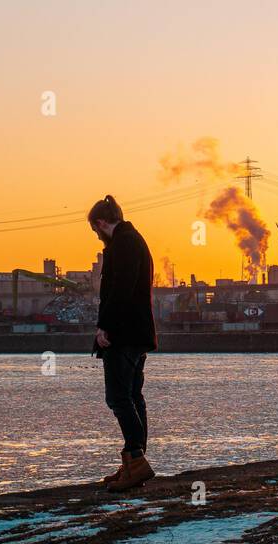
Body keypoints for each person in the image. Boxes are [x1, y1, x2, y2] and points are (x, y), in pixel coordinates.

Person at [88, 194, 157, 492]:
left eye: (95, 230)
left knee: (118, 398)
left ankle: (136, 461)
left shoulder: (123, 244)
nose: (96, 236)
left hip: (125, 335)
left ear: (101, 222)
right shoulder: (133, 240)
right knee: (131, 395)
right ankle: (133, 462)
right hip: (136, 334)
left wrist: (106, 328)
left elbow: (120, 291)